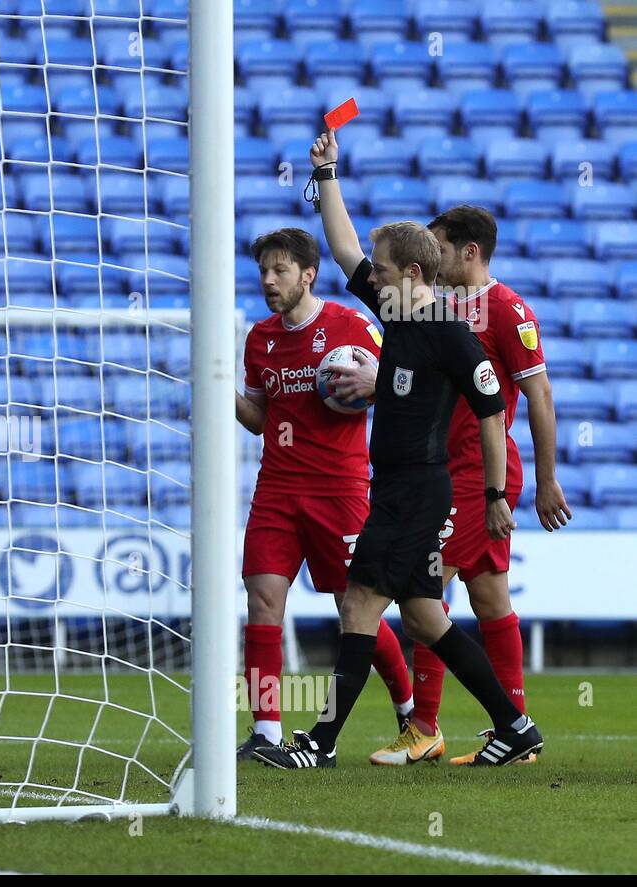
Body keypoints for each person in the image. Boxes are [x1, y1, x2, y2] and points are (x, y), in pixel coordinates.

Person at [252, 129, 544, 769]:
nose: (370, 275)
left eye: (382, 269)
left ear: (413, 274)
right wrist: (327, 175)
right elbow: (344, 246)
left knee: (358, 603)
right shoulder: (399, 312)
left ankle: (318, 744)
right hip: (401, 487)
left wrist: (496, 495)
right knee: (426, 621)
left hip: (417, 490)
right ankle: (516, 726)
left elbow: (494, 412)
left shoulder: (451, 333)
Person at [328, 205, 570, 765]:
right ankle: (511, 726)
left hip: (466, 474)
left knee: (428, 595)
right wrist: (326, 179)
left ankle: (427, 727)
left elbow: (537, 395)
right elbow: (351, 256)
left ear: (468, 251)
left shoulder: (505, 311)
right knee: (486, 596)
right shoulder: (413, 306)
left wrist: (543, 479)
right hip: (438, 468)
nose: (431, 256)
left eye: (440, 245)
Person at [235, 227, 413, 760]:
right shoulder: (260, 339)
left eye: (280, 270)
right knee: (263, 600)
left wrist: (376, 383)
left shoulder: (350, 324)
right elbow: (260, 420)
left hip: (340, 489)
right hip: (277, 488)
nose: (269, 280)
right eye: (264, 271)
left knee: (353, 609)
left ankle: (408, 709)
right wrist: (221, 389)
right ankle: (266, 732)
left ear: (308, 274)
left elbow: (399, 381)